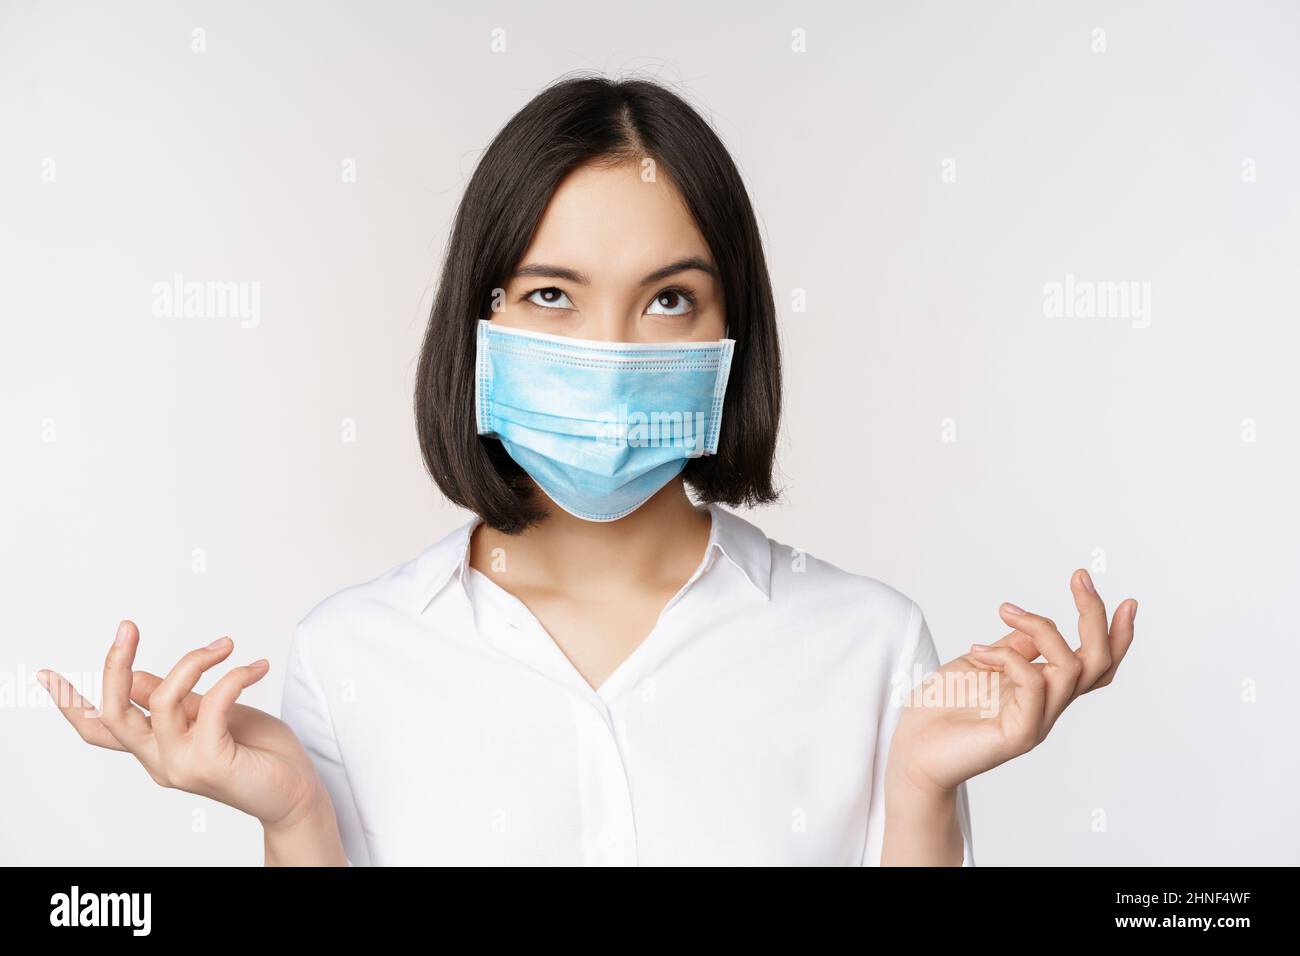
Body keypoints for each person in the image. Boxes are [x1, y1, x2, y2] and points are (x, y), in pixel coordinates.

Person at [38, 74, 1138, 866]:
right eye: (553, 295)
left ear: (731, 333)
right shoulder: (351, 653)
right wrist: (294, 819)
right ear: (482, 321)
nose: (609, 352)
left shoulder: (870, 644)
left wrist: (918, 793)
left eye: (668, 299)